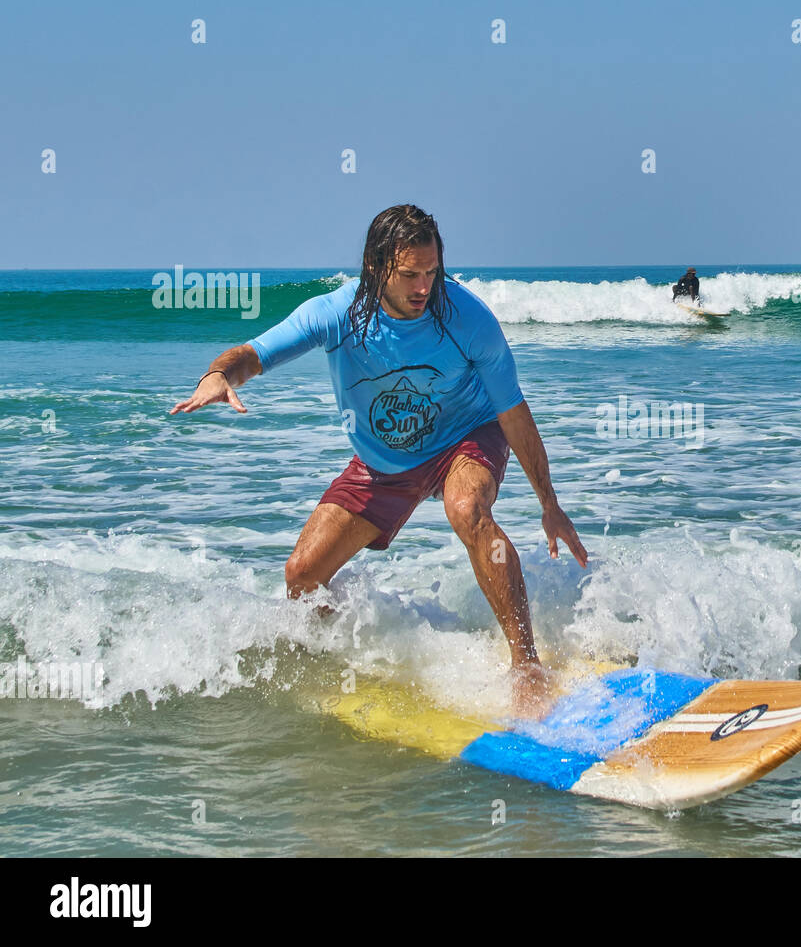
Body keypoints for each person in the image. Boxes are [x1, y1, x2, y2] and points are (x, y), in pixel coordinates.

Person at [169, 205, 587, 716]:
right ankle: (341, 653)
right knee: (301, 574)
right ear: (375, 266)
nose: (423, 287)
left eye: (432, 273)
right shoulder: (336, 314)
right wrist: (218, 375)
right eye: (409, 274)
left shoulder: (468, 320)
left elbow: (514, 414)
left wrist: (550, 503)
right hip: (383, 462)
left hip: (464, 437)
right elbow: (257, 353)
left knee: (467, 509)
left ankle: (527, 667)